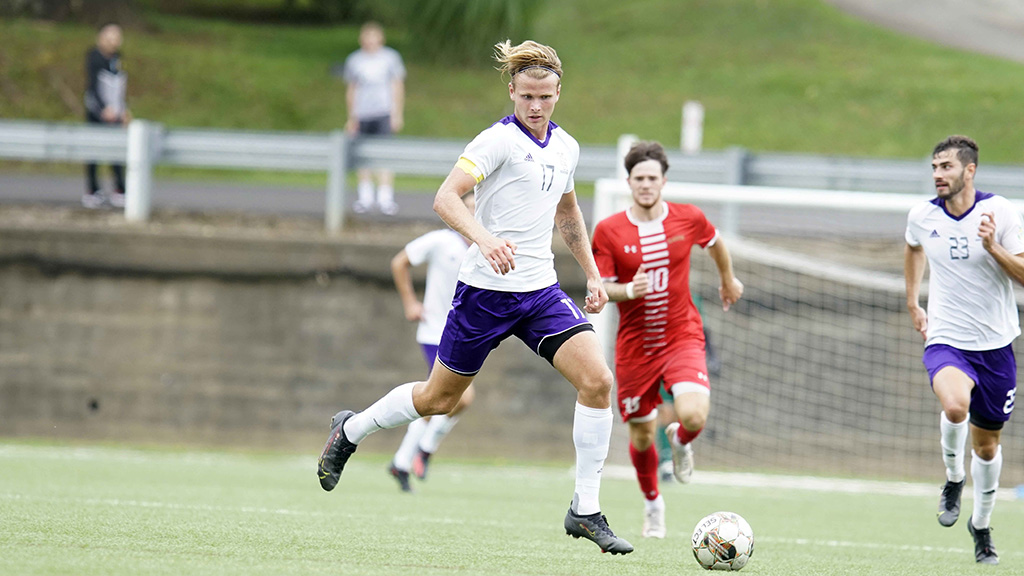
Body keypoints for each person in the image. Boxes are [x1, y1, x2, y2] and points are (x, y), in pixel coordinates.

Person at [318, 39, 633, 555]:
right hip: (484, 294)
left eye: (545, 96)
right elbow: (445, 198)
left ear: (558, 94)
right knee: (439, 400)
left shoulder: (567, 147)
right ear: (512, 91)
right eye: (527, 95)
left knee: (598, 381)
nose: (536, 105)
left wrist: (593, 274)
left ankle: (586, 509)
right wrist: (484, 240)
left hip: (540, 292)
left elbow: (569, 214)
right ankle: (350, 430)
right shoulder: (497, 141)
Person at [591, 141, 743, 539]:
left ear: (663, 181)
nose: (645, 185)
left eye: (652, 178)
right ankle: (653, 503)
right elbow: (604, 288)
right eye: (638, 178)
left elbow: (715, 243)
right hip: (635, 347)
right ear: (628, 182)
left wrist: (728, 280)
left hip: (682, 335)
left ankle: (680, 439)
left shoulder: (687, 218)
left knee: (694, 415)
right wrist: (628, 290)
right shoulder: (609, 231)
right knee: (641, 434)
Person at [904, 135, 1024, 566]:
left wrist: (992, 247)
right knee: (955, 407)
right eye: (935, 167)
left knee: (987, 448)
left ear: (969, 171)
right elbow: (913, 247)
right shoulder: (921, 215)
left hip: (995, 348)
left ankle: (982, 525)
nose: (938, 175)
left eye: (947, 168)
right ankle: (954, 479)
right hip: (947, 338)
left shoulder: (1002, 212)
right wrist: (913, 300)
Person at [387, 194, 477, 492]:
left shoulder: (486, 248)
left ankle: (402, 462)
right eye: (469, 208)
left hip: (467, 334)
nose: (474, 213)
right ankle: (424, 450)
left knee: (439, 400)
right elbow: (400, 262)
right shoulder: (441, 241)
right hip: (435, 331)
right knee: (458, 398)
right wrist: (411, 302)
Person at [337, 21, 405, 215]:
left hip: (383, 112)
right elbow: (352, 89)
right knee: (363, 155)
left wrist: (396, 113)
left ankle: (385, 197)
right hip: (362, 113)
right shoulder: (355, 60)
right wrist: (351, 116)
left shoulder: (390, 58)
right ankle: (365, 196)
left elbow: (397, 86)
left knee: (385, 154)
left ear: (380, 39)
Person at [83, 22, 130, 210]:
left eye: (117, 37)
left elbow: (119, 89)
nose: (114, 42)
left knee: (117, 152)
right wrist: (103, 109)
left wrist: (124, 109)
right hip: (98, 113)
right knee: (93, 152)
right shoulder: (94, 58)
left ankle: (120, 188)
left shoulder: (117, 60)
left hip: (115, 112)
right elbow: (93, 89)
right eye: (110, 37)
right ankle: (92, 190)